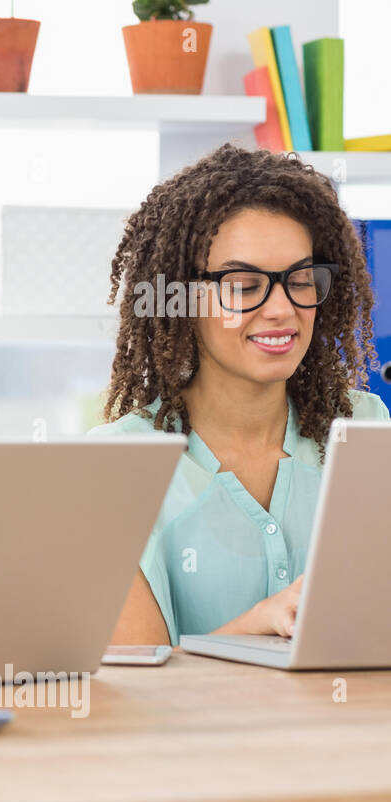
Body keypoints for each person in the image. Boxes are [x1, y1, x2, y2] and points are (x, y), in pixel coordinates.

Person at [91, 145, 387, 646]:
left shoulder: (363, 427)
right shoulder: (114, 466)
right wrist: (255, 626)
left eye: (300, 280)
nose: (280, 310)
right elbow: (139, 692)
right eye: (244, 285)